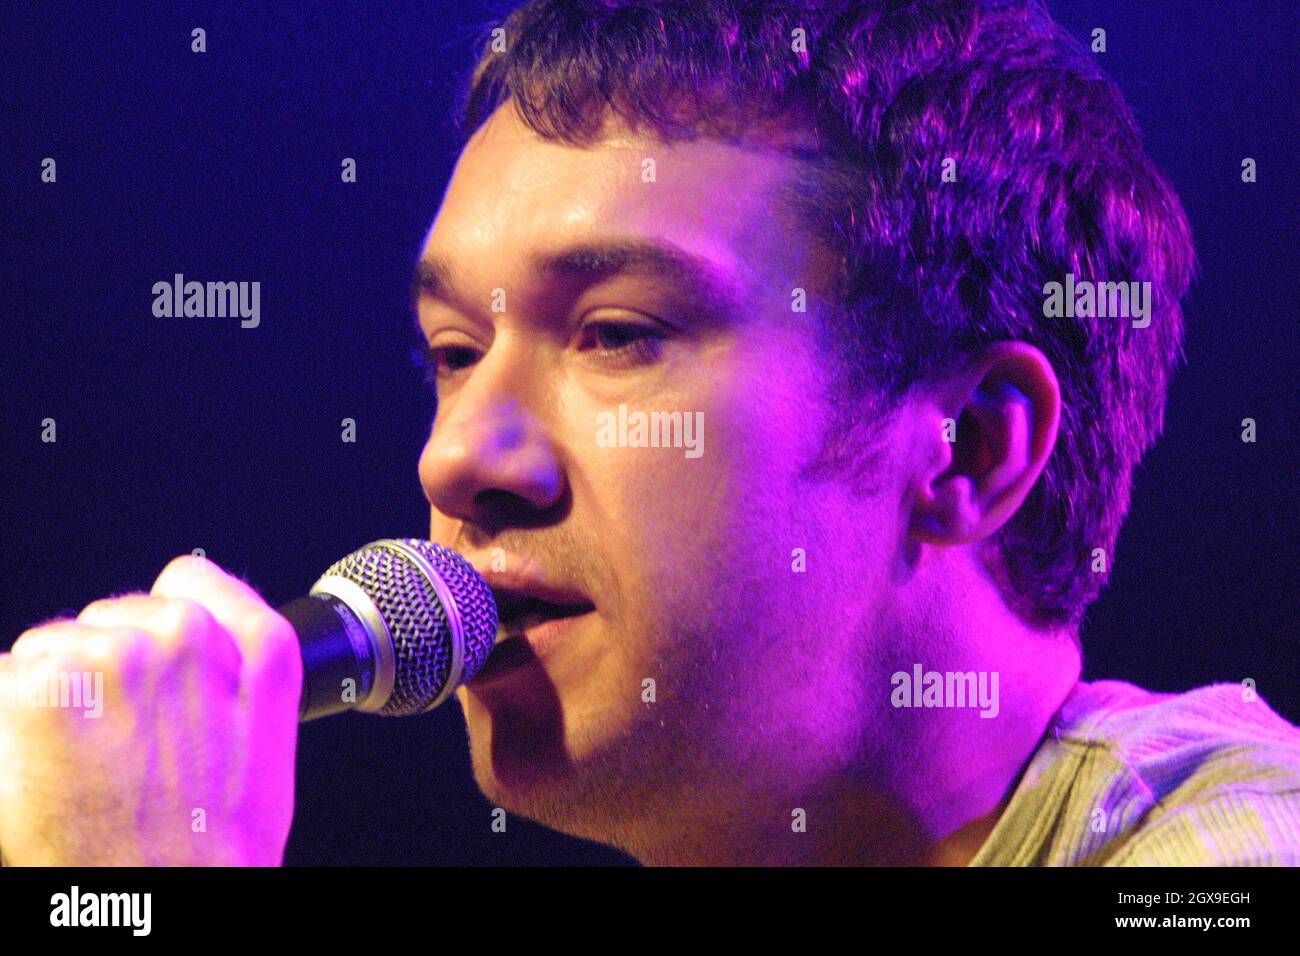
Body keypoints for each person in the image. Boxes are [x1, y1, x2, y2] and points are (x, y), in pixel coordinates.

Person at [2, 0, 1297, 866]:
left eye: (617, 333)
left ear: (967, 449)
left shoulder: (1233, 840)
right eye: (455, 354)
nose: (455, 460)